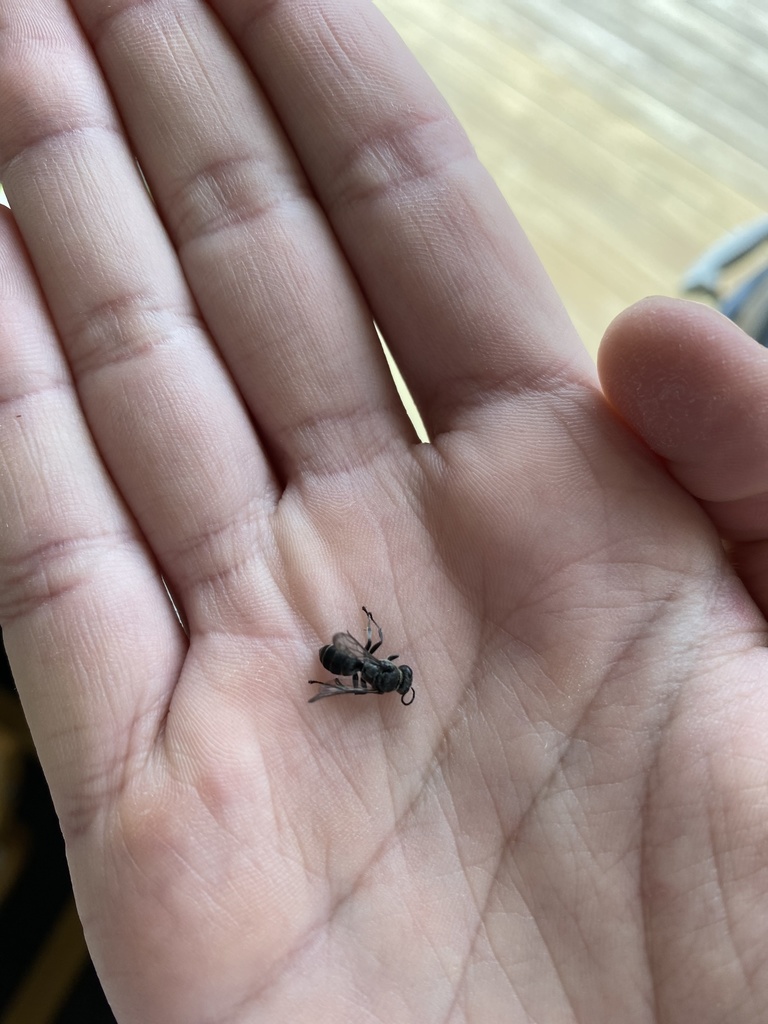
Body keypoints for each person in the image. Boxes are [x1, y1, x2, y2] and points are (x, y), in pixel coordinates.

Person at [1, 1, 766, 1021]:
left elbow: (359, 668)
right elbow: (360, 662)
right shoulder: (376, 675)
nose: (392, 675)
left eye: (390, 674)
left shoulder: (375, 680)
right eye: (393, 673)